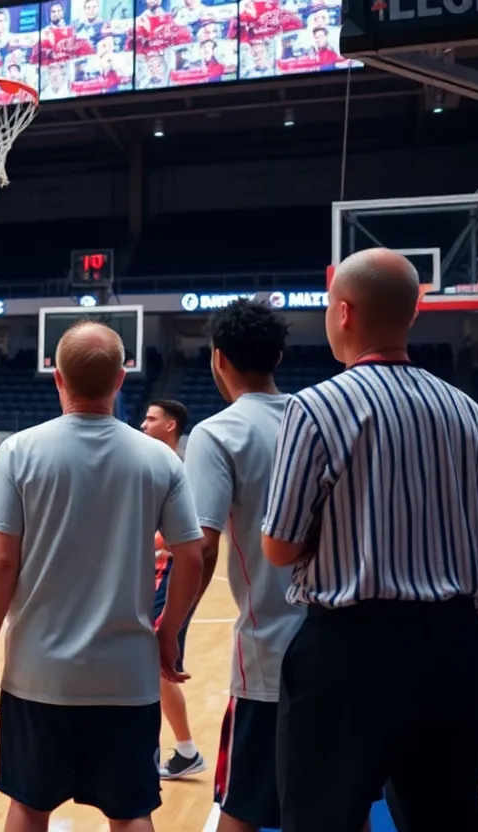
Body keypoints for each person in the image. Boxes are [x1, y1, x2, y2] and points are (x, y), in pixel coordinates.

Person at [261, 248, 478, 832]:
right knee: (447, 818)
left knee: (321, 819)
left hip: (348, 653)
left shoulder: (315, 408)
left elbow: (279, 547)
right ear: (414, 314)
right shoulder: (471, 414)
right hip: (450, 647)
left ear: (343, 313)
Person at [0, 321, 203, 832]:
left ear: (57, 377)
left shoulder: (19, 451)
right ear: (122, 379)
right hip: (127, 676)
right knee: (129, 813)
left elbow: (0, 562)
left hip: (37, 674)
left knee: (30, 807)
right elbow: (192, 555)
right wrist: (167, 633)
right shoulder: (160, 458)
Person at [182, 300, 305, 832]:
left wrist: (172, 626)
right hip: (344, 644)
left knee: (241, 809)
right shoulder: (321, 417)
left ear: (218, 359)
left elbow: (201, 545)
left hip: (271, 651)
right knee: (337, 807)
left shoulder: (218, 432)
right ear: (278, 355)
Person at [139, 400, 203, 779]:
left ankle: (181, 748)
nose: (143, 424)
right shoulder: (150, 463)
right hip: (153, 576)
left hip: (172, 576)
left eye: (151, 419)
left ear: (171, 425)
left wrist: (134, 542)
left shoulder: (182, 469)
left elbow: (184, 534)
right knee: (151, 667)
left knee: (156, 666)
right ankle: (184, 750)